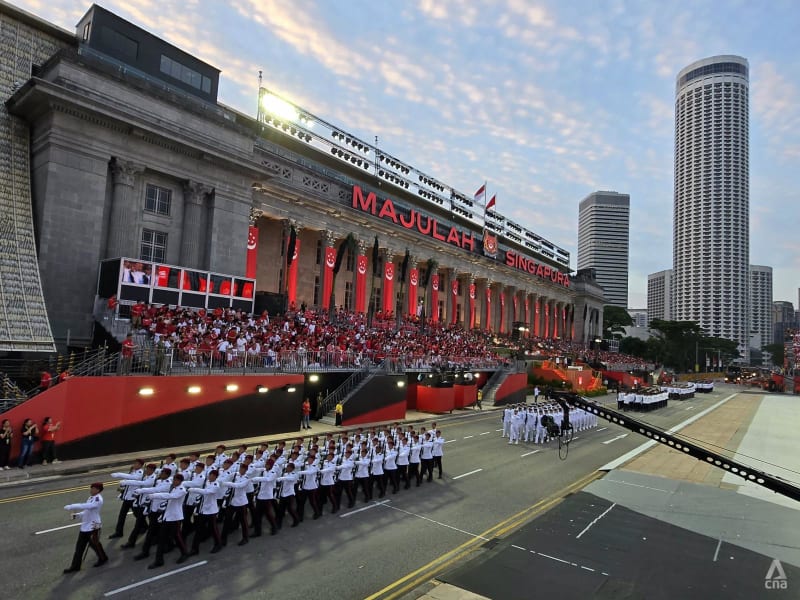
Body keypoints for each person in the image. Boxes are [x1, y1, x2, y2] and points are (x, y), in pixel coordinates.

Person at [63, 482, 108, 573]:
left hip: (95, 525)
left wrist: (72, 506)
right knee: (79, 547)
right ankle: (75, 566)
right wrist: (78, 515)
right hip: (86, 525)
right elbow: (87, 511)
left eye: (93, 488)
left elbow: (87, 506)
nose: (91, 490)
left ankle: (103, 558)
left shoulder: (98, 499)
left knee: (95, 545)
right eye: (91, 488)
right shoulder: (91, 498)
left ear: (98, 490)